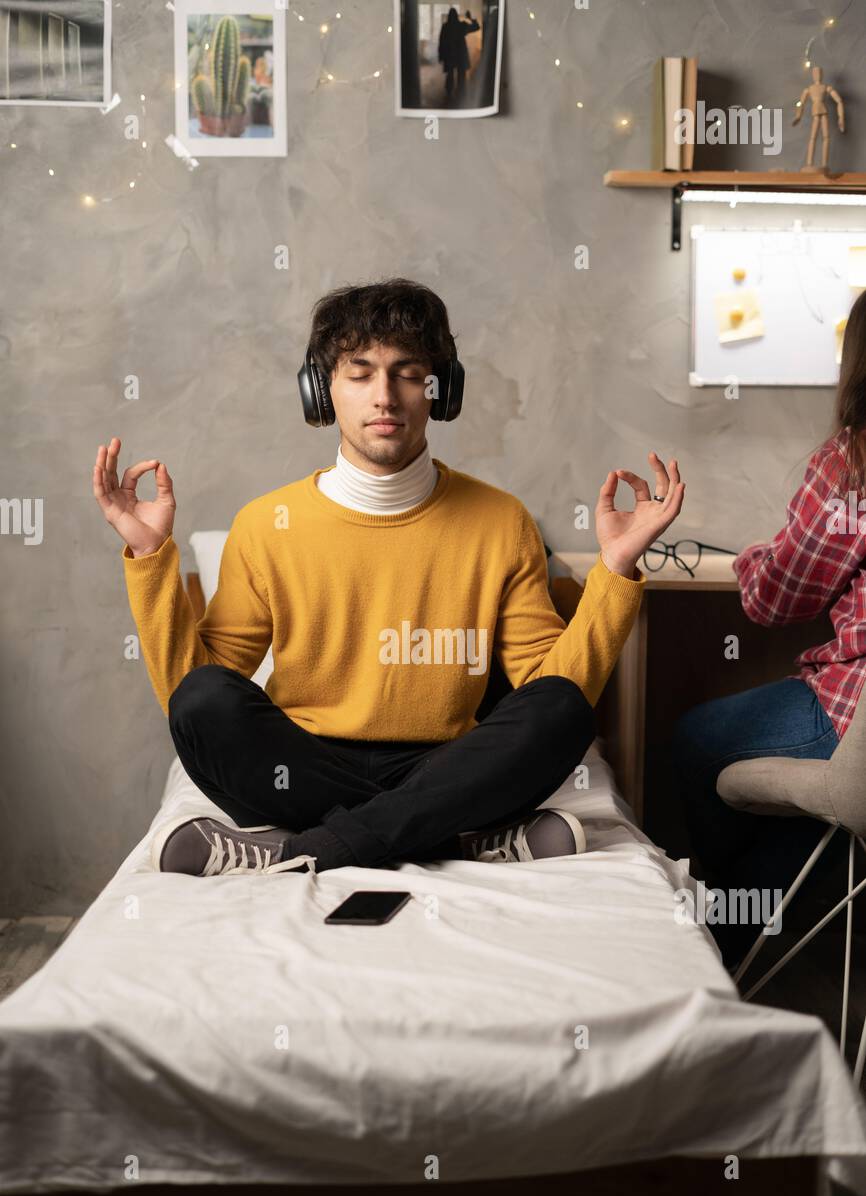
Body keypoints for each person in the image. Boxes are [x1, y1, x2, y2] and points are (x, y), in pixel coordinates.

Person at [93, 277, 684, 877]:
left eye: (407, 372)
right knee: (203, 700)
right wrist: (149, 557)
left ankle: (302, 850)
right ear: (322, 392)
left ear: (440, 390)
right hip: (302, 769)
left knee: (560, 708)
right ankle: (451, 838)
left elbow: (549, 683)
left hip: (445, 765)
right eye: (360, 372)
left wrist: (615, 570)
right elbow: (193, 695)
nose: (385, 396)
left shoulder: (501, 520)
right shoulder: (266, 523)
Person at [672, 289, 866, 966]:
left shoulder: (852, 466)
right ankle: (736, 944)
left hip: (857, 714)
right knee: (804, 799)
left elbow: (774, 600)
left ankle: (715, 938)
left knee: (696, 741)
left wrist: (758, 556)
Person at [438, 7, 480, 102]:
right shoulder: (461, 25)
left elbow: (441, 42)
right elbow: (477, 27)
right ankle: (461, 94)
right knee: (461, 76)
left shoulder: (446, 26)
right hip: (460, 55)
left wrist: (441, 55)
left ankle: (449, 94)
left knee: (450, 75)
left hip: (449, 55)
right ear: (457, 16)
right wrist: (470, 18)